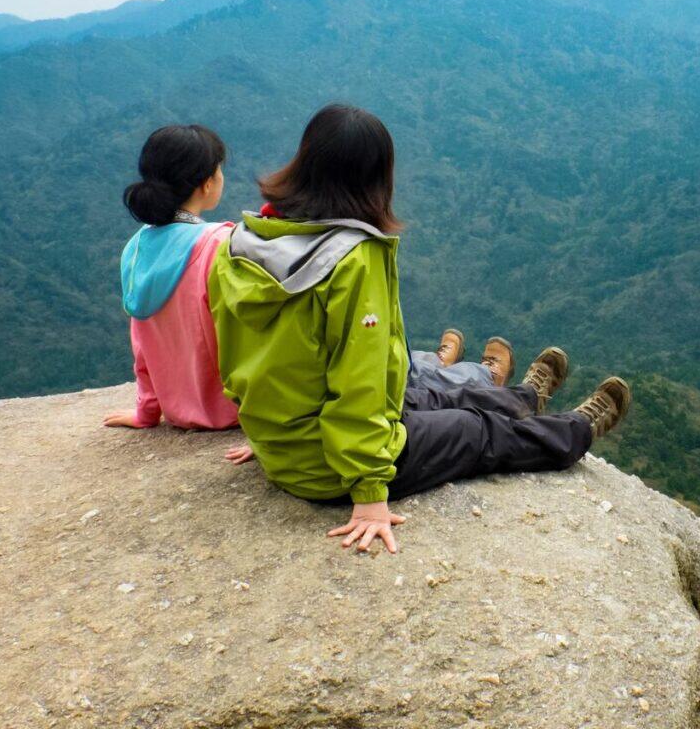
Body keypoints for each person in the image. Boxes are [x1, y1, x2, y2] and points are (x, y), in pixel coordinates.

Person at [209, 103, 630, 554]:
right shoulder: (352, 258)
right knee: (476, 431)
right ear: (376, 177)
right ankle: (574, 432)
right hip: (331, 466)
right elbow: (360, 385)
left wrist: (270, 427)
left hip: (289, 443)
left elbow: (235, 358)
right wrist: (370, 493)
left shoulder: (240, 245)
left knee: (432, 393)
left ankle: (526, 398)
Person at [104, 124, 240, 432]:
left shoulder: (136, 248)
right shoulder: (219, 243)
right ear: (207, 183)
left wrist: (147, 412)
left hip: (177, 412)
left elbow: (141, 343)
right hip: (234, 411)